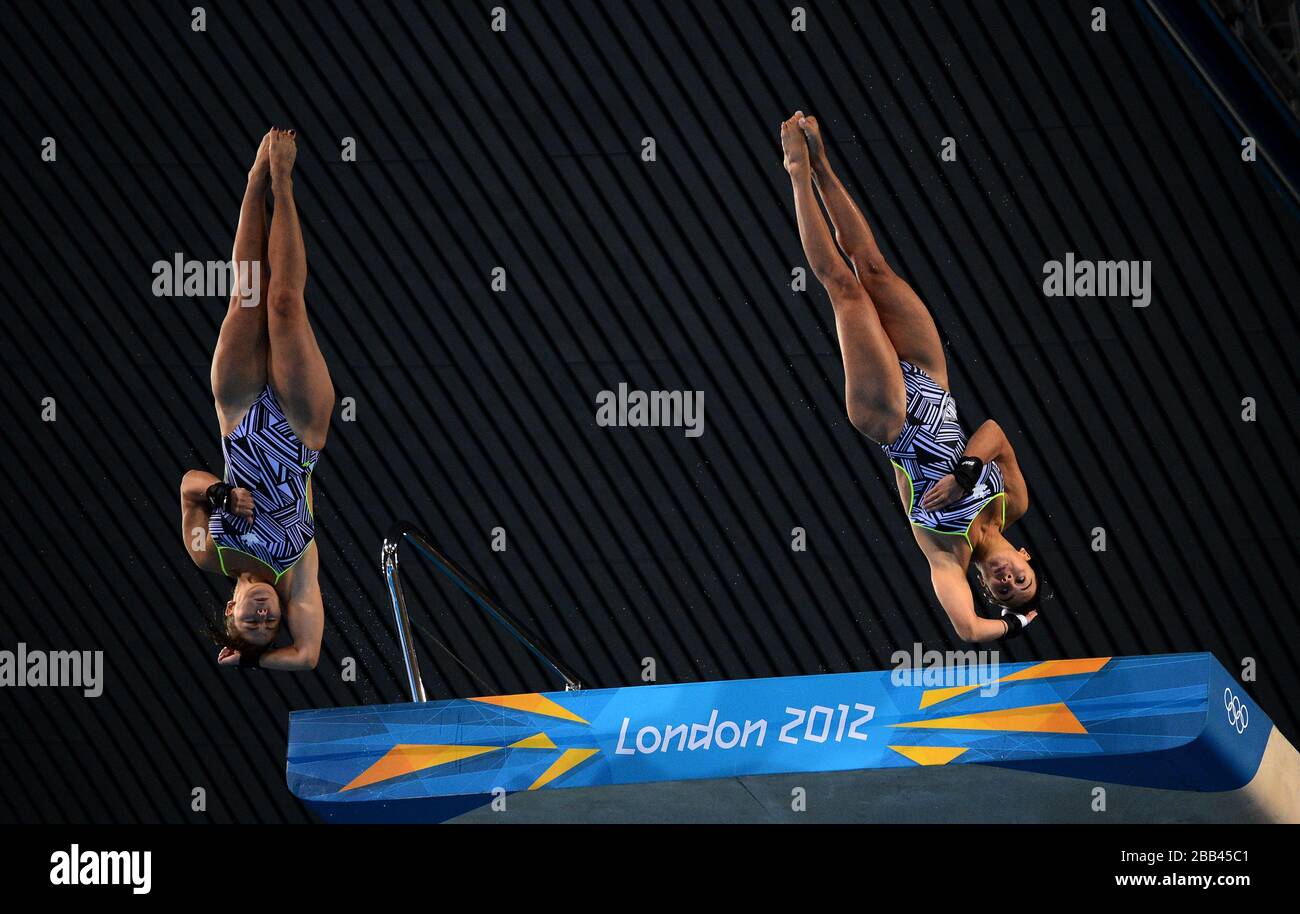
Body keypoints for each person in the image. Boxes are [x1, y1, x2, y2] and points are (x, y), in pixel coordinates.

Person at [782, 111, 1050, 642]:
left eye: (1002, 590)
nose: (1007, 581)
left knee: (846, 289)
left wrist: (1017, 620)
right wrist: (966, 473)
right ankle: (822, 165)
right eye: (1021, 580)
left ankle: (794, 169)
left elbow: (970, 631)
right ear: (1025, 557)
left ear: (984, 584)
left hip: (892, 417)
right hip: (934, 382)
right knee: (873, 266)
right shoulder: (1012, 503)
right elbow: (995, 432)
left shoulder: (947, 553)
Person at [179, 127, 335, 670]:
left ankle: (253, 184)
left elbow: (188, 487)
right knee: (286, 303)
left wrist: (220, 492)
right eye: (270, 627)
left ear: (231, 607)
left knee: (246, 296)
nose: (265, 616)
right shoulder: (297, 578)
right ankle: (283, 183)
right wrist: (250, 659)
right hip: (300, 431)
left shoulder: (207, 553)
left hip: (239, 414)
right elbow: (310, 656)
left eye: (251, 620)